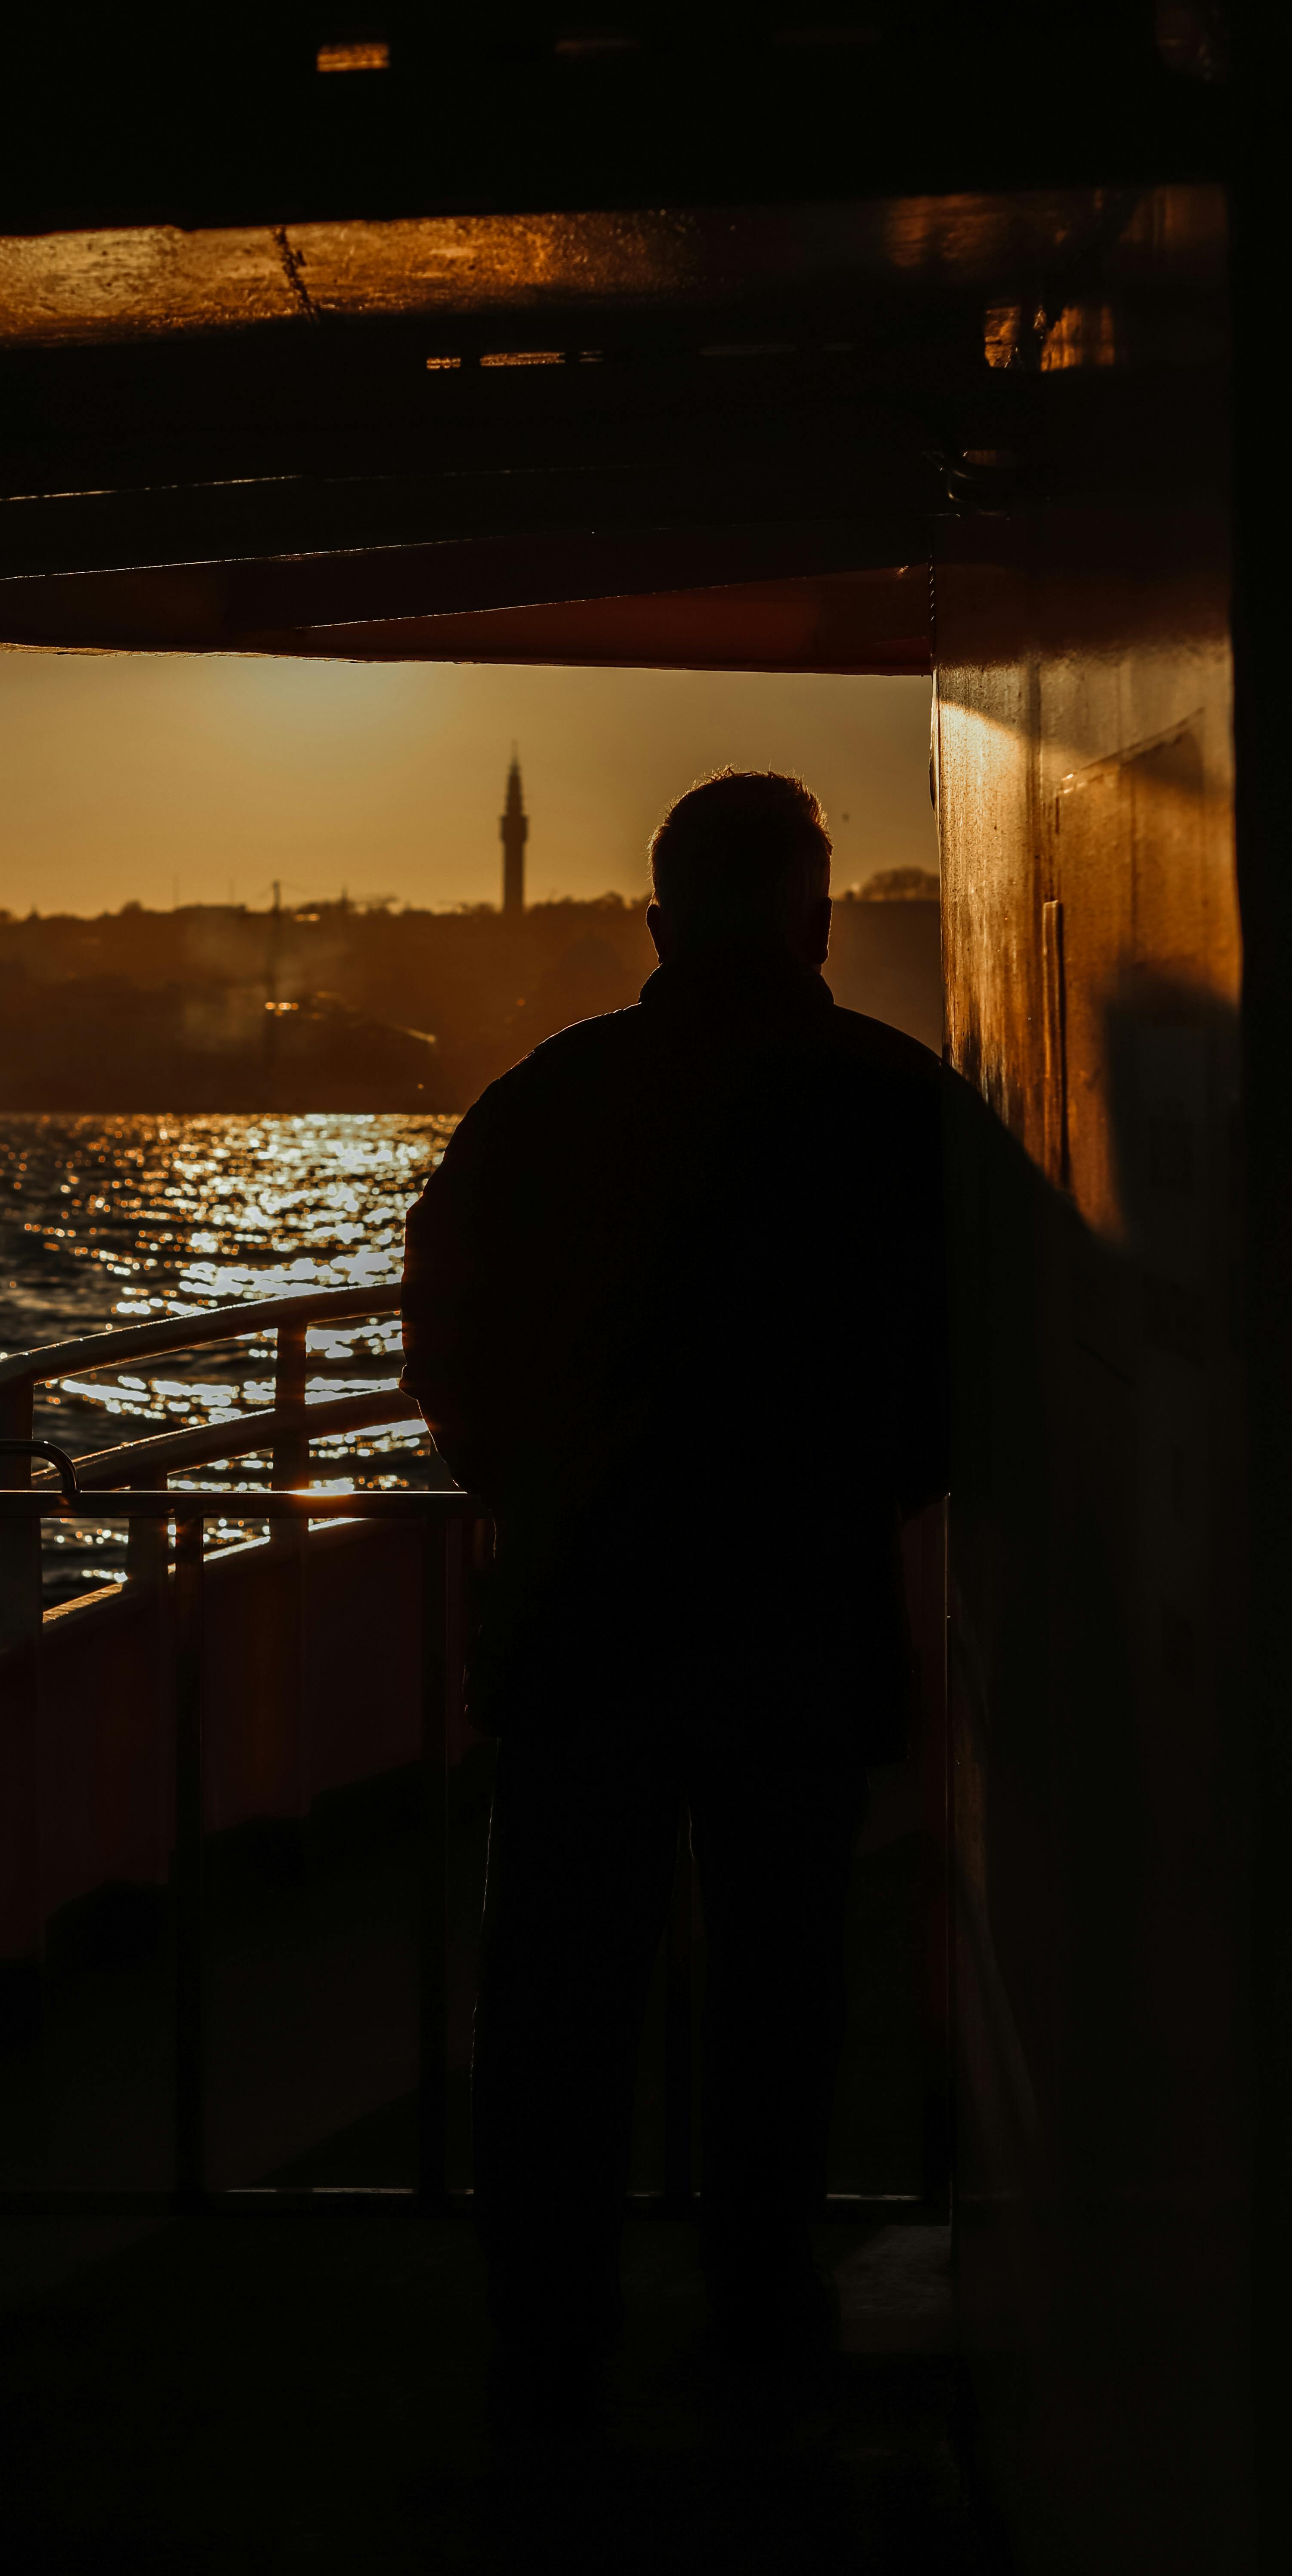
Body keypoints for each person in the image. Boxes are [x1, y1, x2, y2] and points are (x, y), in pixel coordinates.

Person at [399, 768, 946, 2434]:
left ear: (656, 920)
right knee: (780, 1992)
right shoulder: (894, 1104)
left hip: (585, 1623)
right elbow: (947, 1378)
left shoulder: (543, 1104)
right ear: (818, 918)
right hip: (795, 1628)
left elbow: (451, 1351)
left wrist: (545, 1495)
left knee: (560, 1999)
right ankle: (762, 2312)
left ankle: (547, 2341)